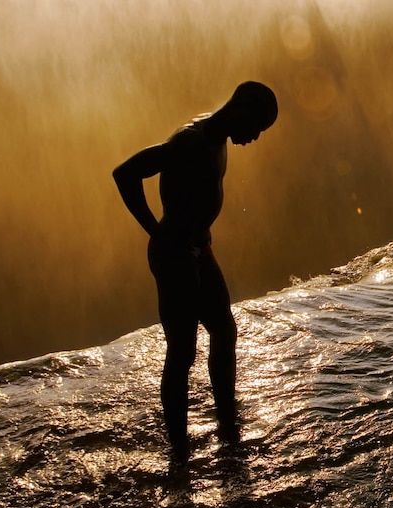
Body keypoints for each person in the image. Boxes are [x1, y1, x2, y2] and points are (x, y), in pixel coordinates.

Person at [113, 81, 278, 459]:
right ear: (239, 110)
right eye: (255, 128)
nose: (253, 138)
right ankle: (179, 452)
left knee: (224, 329)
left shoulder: (215, 137)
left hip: (199, 248)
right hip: (175, 254)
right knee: (183, 351)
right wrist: (155, 230)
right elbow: (125, 172)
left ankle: (226, 421)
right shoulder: (190, 142)